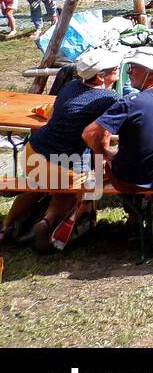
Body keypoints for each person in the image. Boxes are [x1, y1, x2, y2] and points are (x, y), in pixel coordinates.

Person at [0, 48, 122, 250]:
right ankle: (47, 222)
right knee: (80, 186)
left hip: (32, 151)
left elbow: (50, 117)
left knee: (37, 184)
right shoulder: (108, 98)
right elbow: (100, 138)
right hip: (58, 165)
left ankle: (5, 227)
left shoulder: (71, 86)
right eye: (114, 69)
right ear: (100, 77)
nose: (118, 70)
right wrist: (106, 158)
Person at [84, 46, 153, 193]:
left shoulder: (131, 103)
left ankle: (95, 200)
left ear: (151, 73)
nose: (128, 72)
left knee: (106, 164)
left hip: (129, 181)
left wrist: (105, 154)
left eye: (133, 67)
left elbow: (89, 134)